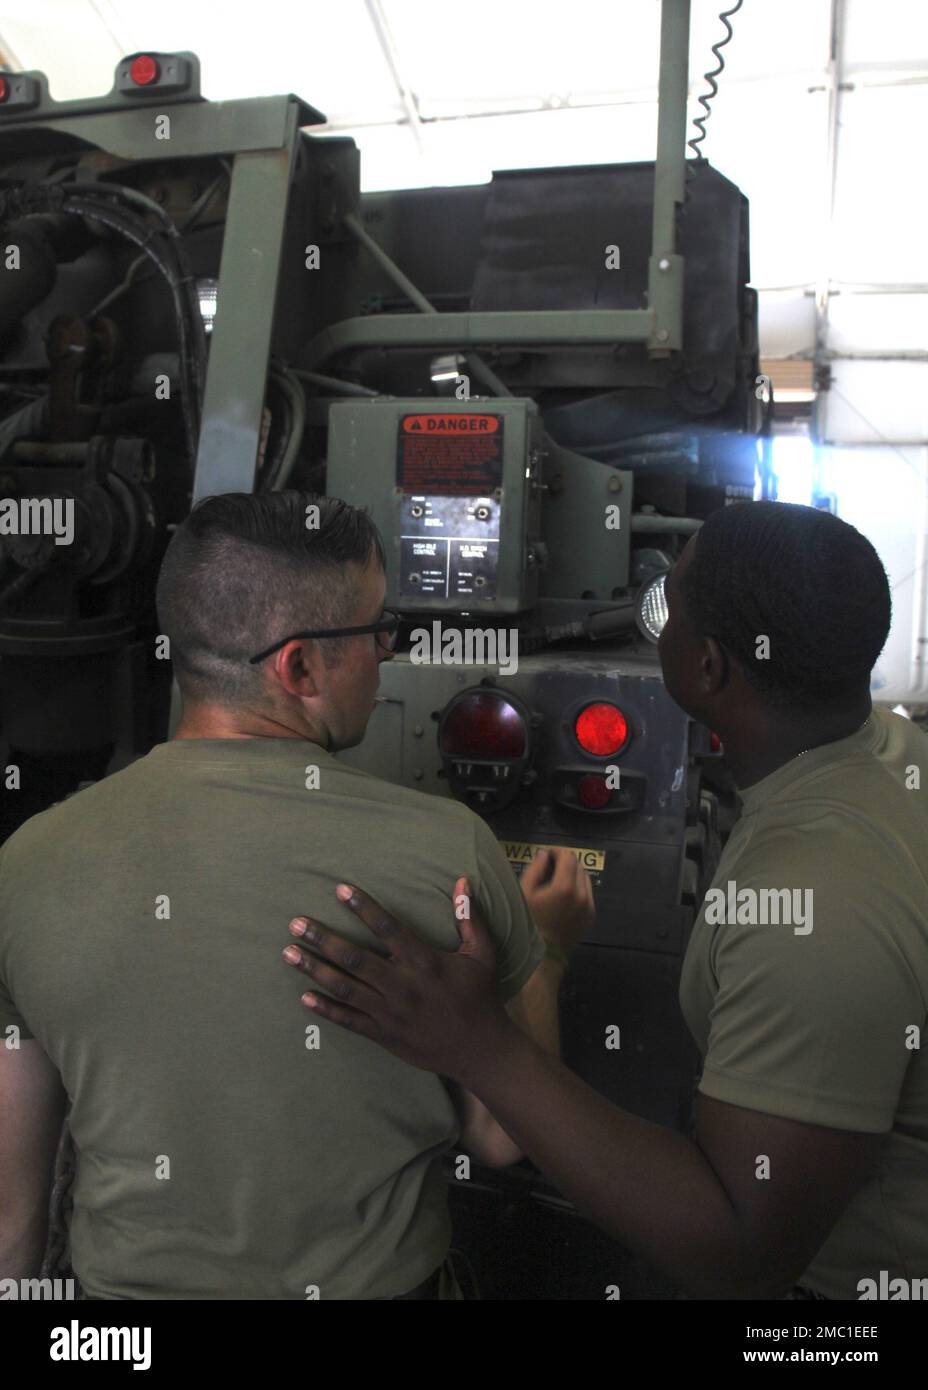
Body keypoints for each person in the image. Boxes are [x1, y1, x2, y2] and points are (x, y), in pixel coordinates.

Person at [282, 501, 928, 1300]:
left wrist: (477, 1041)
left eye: (671, 607)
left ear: (707, 669)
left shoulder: (818, 905)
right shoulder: (888, 751)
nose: (654, 619)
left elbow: (737, 1249)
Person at [0, 490, 593, 1300]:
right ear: (300, 666)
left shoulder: (28, 862)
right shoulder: (447, 851)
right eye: (377, 630)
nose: (388, 652)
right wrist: (548, 948)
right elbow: (499, 1137)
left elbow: (11, 1217)